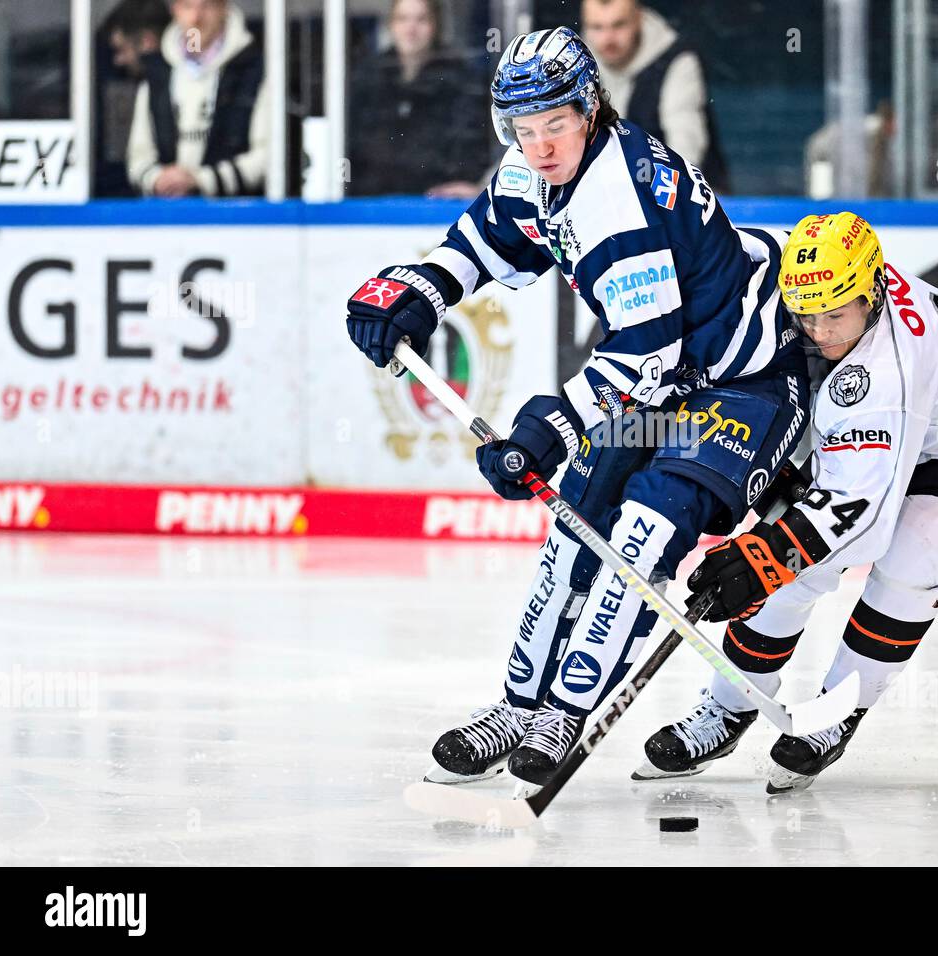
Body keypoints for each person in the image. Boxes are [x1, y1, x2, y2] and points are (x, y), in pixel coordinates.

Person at [343, 27, 809, 789]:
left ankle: (566, 711)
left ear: (589, 109)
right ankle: (519, 706)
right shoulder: (535, 166)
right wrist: (418, 292)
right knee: (577, 522)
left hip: (744, 383)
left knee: (643, 530)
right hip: (669, 380)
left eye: (554, 125)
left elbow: (648, 351)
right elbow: (488, 236)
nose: (539, 147)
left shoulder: (617, 197)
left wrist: (548, 426)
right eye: (523, 131)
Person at [634, 212, 938, 793]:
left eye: (835, 314)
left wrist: (764, 555)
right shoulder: (814, 273)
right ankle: (728, 707)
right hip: (922, 422)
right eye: (805, 313)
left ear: (873, 292)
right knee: (791, 559)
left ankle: (836, 713)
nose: (819, 331)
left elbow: (864, 524)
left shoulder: (888, 373)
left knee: (911, 558)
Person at [346, 0, 493, 198]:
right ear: (391, 24)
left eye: (421, 19)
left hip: (437, 203)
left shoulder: (461, 79)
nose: (411, 29)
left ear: (436, 25)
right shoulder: (368, 77)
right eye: (403, 19)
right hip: (374, 203)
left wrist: (471, 185)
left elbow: (473, 144)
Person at [581, 0, 729, 191]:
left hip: (690, 202)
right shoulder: (576, 64)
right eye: (597, 27)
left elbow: (686, 151)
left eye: (618, 25)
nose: (608, 38)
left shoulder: (677, 61)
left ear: (638, 19)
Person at [127, 0, 268, 197]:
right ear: (175, 10)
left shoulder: (256, 70)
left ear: (223, 8)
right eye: (187, 6)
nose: (196, 18)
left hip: (237, 217)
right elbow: (138, 157)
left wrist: (200, 181)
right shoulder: (157, 75)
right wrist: (159, 179)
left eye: (206, 6)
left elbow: (269, 156)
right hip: (167, 217)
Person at [97, 0, 171, 196]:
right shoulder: (128, 86)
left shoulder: (173, 90)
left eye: (121, 50)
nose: (117, 61)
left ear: (147, 42)